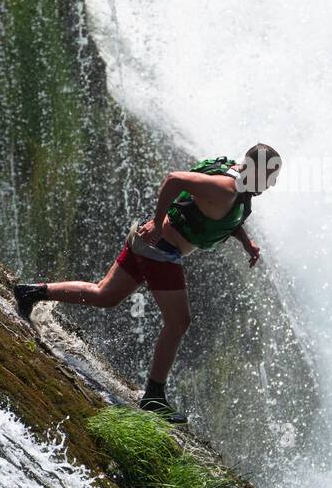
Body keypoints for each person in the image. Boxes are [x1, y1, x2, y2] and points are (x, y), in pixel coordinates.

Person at [14, 144, 281, 421]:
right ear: (256, 170)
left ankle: (32, 292)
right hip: (159, 248)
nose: (271, 184)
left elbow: (218, 213)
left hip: (147, 243)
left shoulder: (232, 179)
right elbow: (174, 179)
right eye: (270, 176)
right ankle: (154, 396)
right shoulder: (225, 187)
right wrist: (156, 222)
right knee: (179, 322)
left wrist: (246, 242)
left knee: (105, 294)